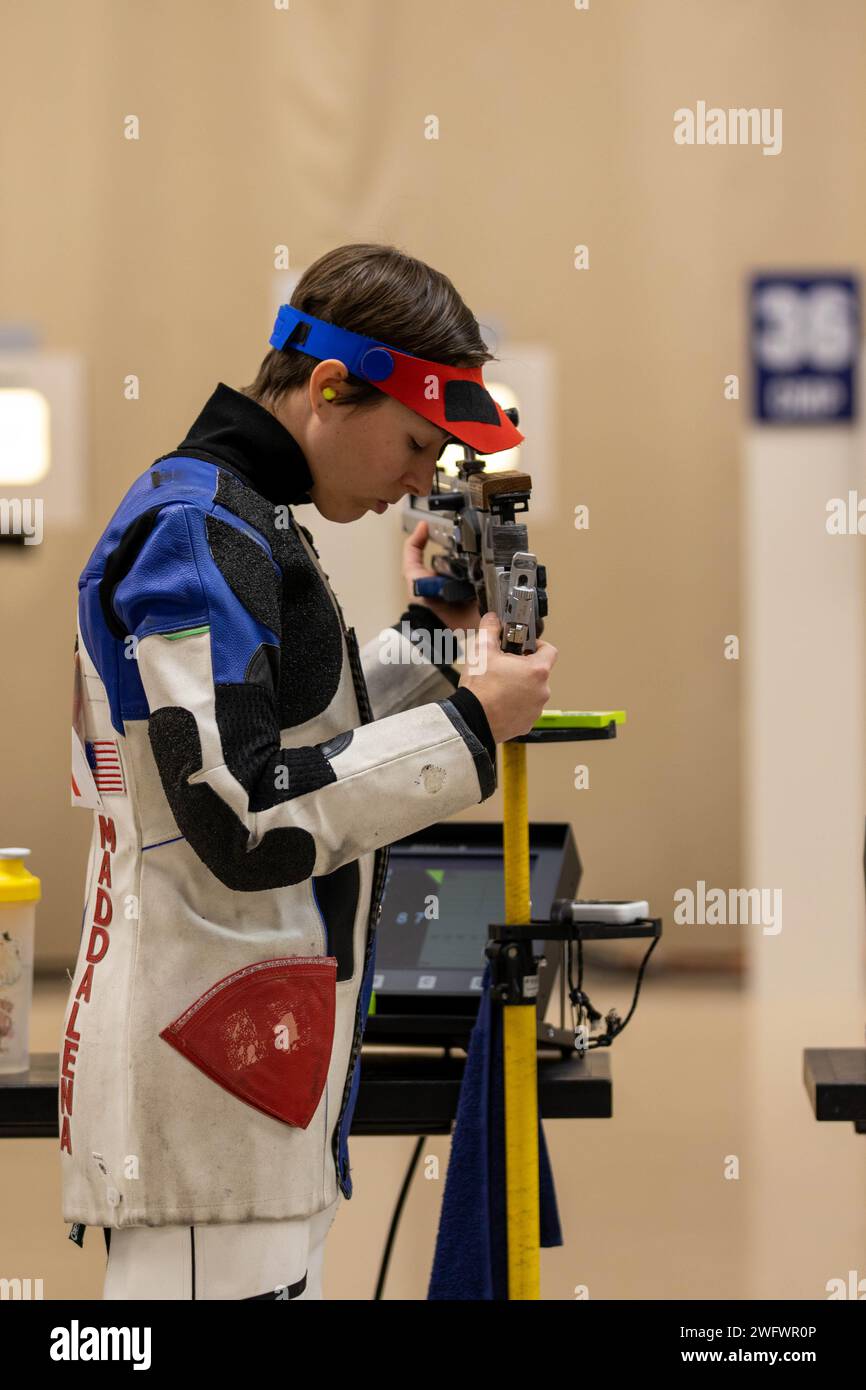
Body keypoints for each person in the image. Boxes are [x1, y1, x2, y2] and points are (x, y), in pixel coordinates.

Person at [61, 242, 557, 1299]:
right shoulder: (194, 529)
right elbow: (239, 815)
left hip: (251, 1068)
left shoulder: (241, 517)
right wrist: (472, 727)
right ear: (330, 386)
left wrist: (429, 636)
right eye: (419, 442)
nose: (423, 478)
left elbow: (305, 737)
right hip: (202, 1095)